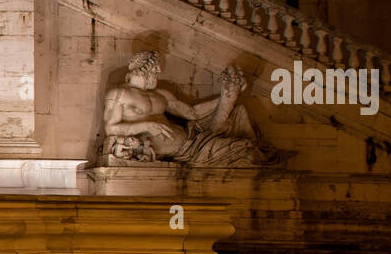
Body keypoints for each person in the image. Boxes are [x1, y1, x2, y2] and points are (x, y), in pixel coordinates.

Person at [102, 51, 288, 167]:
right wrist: (146, 126)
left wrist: (227, 95)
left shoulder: (162, 94)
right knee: (245, 152)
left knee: (247, 148)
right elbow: (111, 129)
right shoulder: (118, 94)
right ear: (145, 69)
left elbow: (193, 113)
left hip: (191, 142)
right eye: (156, 70)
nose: (158, 74)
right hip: (176, 151)